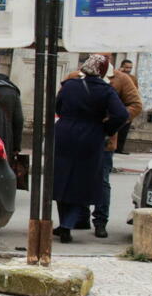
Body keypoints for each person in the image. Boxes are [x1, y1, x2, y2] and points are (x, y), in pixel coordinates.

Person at [53, 54, 128, 244]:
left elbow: (58, 108)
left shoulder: (69, 85)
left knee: (62, 178)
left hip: (65, 134)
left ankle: (64, 223)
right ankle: (68, 224)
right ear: (102, 71)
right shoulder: (105, 90)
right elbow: (121, 114)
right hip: (90, 136)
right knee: (82, 181)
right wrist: (106, 129)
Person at [115, 59, 137, 154]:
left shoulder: (132, 78)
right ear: (122, 67)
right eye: (127, 67)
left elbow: (135, 91)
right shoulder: (117, 76)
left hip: (127, 105)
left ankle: (120, 148)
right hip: (117, 104)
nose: (128, 70)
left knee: (125, 129)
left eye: (130, 68)